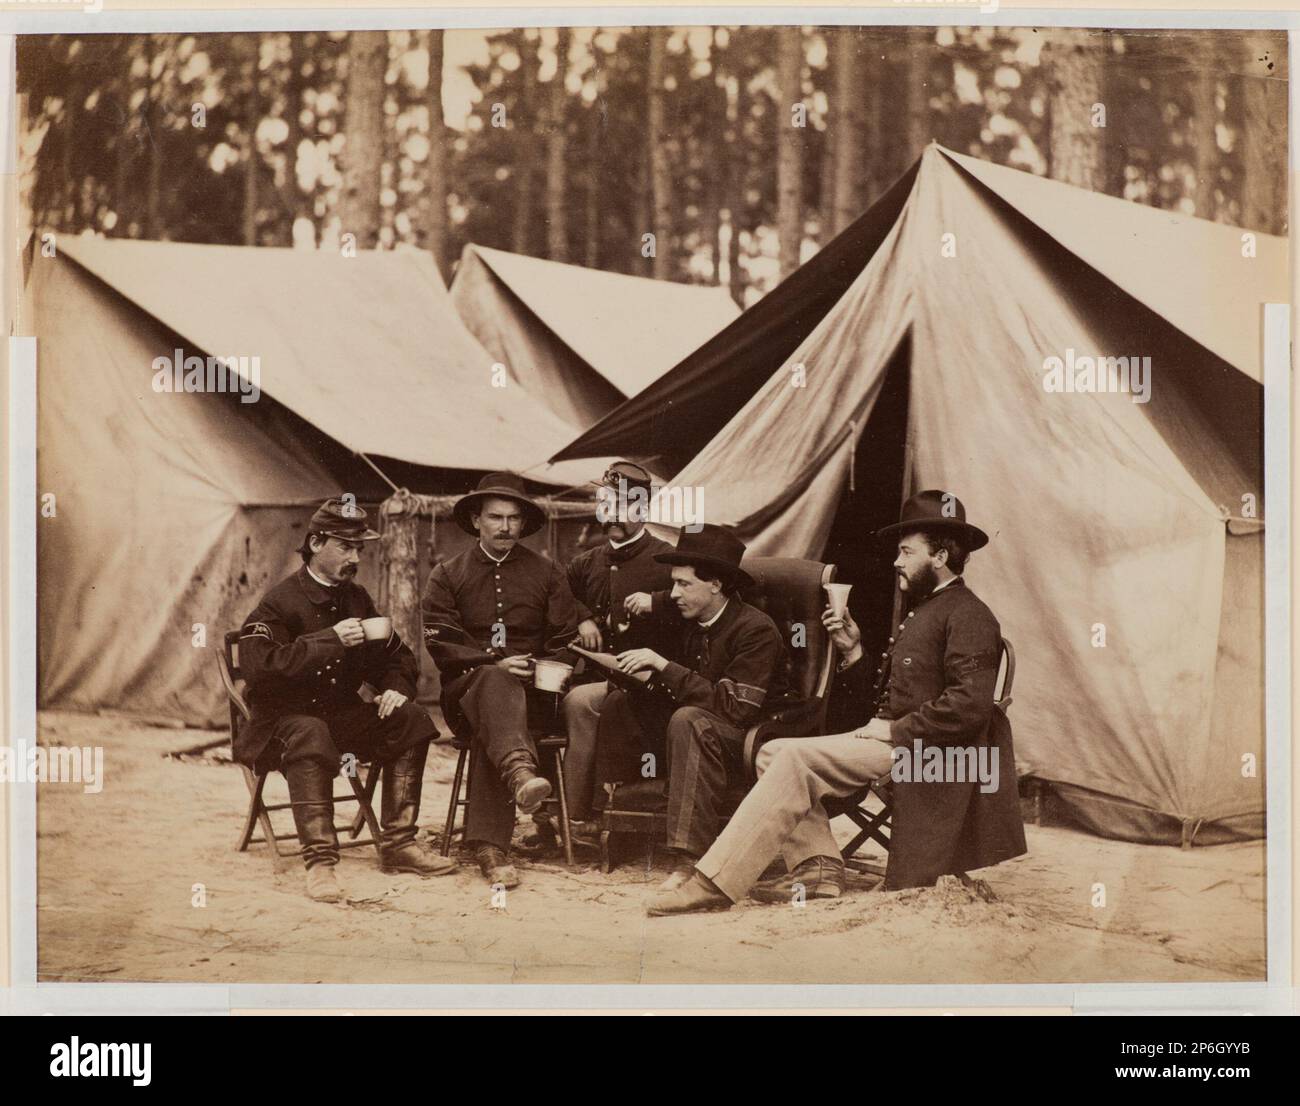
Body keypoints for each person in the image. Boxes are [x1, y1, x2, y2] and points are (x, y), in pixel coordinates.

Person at [647, 490, 1027, 916]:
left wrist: (895, 730)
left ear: (939, 556)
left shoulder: (969, 614)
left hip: (929, 750)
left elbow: (970, 706)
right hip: (901, 740)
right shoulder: (928, 609)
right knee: (772, 751)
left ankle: (715, 882)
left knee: (792, 760)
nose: (896, 561)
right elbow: (891, 695)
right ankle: (819, 868)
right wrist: (853, 652)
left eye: (906, 552)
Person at [237, 498, 455, 904]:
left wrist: (395, 688)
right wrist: (328, 640)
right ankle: (320, 862)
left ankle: (398, 842)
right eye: (346, 547)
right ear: (316, 543)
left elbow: (397, 656)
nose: (356, 557)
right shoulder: (278, 603)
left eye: (360, 548)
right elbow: (259, 668)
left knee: (412, 718)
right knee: (309, 730)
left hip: (339, 719)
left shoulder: (357, 599)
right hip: (282, 725)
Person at [595, 524, 789, 891]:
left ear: (716, 584)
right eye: (673, 584)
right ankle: (606, 818)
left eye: (684, 584)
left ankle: (688, 858)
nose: (674, 594)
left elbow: (735, 709)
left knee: (688, 719)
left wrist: (664, 667)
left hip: (749, 738)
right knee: (620, 701)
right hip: (697, 731)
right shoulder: (690, 618)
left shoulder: (755, 629)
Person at [420, 472, 579, 888]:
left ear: (523, 524)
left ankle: (492, 847)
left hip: (536, 695)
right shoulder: (447, 574)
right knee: (493, 683)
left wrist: (547, 667)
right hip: (466, 691)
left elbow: (565, 638)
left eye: (513, 519)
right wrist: (492, 660)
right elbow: (439, 640)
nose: (505, 527)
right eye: (495, 517)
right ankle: (520, 776)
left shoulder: (548, 572)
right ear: (476, 520)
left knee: (497, 722)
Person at [558, 461, 676, 826]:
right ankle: (560, 813)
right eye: (606, 505)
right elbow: (558, 598)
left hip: (652, 679)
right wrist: (583, 616)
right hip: (597, 674)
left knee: (582, 704)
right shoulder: (584, 562)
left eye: (623, 507)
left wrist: (656, 602)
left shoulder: (668, 559)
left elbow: (696, 606)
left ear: (644, 510)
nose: (612, 516)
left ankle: (579, 816)